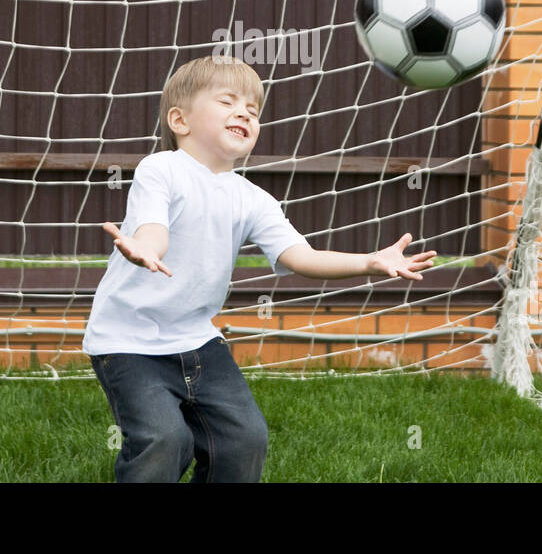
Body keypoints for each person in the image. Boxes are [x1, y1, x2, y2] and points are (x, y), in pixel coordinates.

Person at [83, 54, 435, 482]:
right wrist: (144, 248)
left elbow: (299, 256)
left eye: (252, 110)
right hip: (129, 341)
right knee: (164, 439)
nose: (244, 113)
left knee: (244, 438)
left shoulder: (253, 198)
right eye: (228, 102)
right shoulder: (161, 170)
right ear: (180, 119)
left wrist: (369, 261)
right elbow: (154, 228)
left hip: (197, 339)